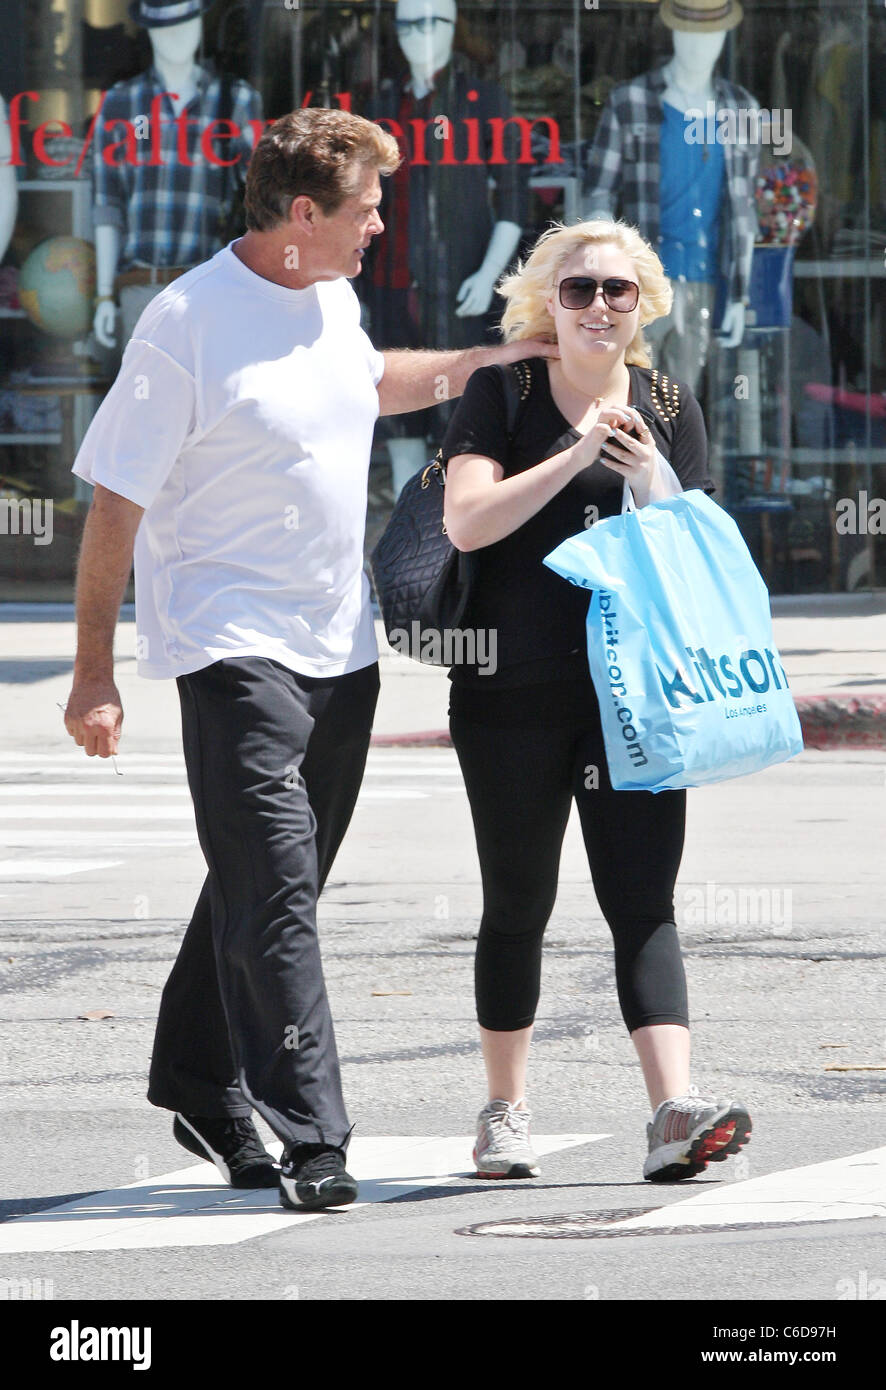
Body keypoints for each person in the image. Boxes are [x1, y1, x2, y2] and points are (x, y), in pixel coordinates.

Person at [64, 107, 556, 1211]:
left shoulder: (329, 296)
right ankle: (314, 1138)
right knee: (277, 890)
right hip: (230, 646)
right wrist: (93, 672)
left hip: (340, 643)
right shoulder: (185, 324)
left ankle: (197, 1079)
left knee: (268, 880)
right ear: (301, 215)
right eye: (367, 207)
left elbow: (367, 383)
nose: (381, 223)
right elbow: (114, 502)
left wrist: (485, 364)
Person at [440, 217, 752, 1182]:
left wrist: (651, 474)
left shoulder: (669, 400)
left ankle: (671, 1112)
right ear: (549, 302)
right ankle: (504, 1113)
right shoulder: (504, 393)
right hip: (510, 692)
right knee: (517, 902)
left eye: (618, 290)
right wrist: (574, 455)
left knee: (644, 901)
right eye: (578, 290)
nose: (599, 306)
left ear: (643, 303)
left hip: (640, 698)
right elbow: (466, 522)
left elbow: (698, 552)